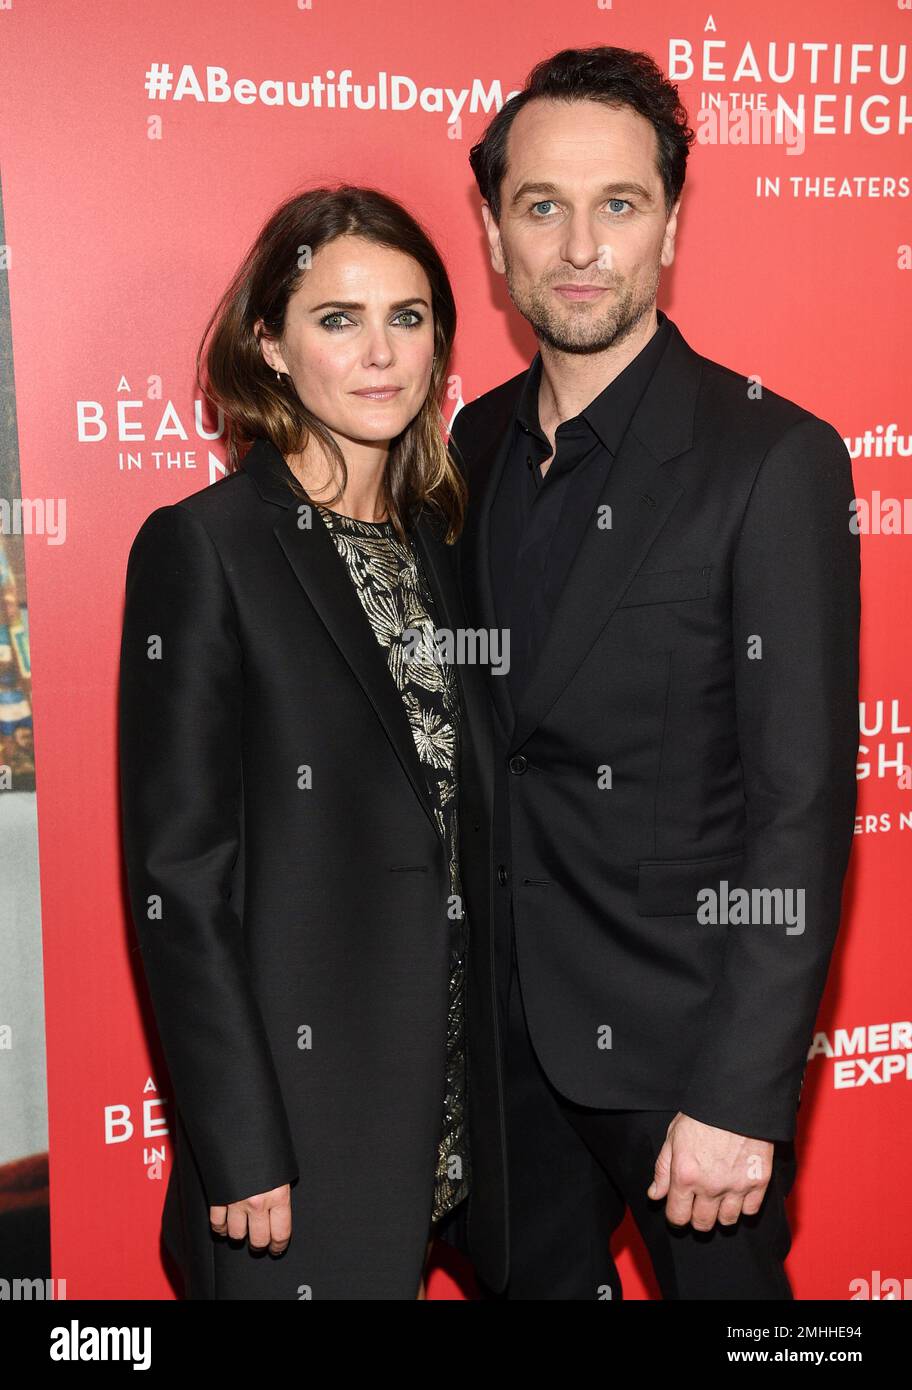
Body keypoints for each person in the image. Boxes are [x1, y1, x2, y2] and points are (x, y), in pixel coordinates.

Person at [448, 46, 861, 1299]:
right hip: (503, 1062)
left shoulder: (772, 459)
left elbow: (801, 810)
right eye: (542, 207)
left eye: (618, 205)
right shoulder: (471, 444)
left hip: (688, 1067)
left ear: (671, 224)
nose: (580, 245)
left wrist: (743, 1091)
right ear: (493, 230)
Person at [118, 185, 495, 1299]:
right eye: (338, 319)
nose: (381, 353)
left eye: (410, 316)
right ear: (270, 344)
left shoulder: (449, 538)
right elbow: (179, 882)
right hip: (308, 1124)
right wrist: (238, 1144)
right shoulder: (207, 549)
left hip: (473, 1125)